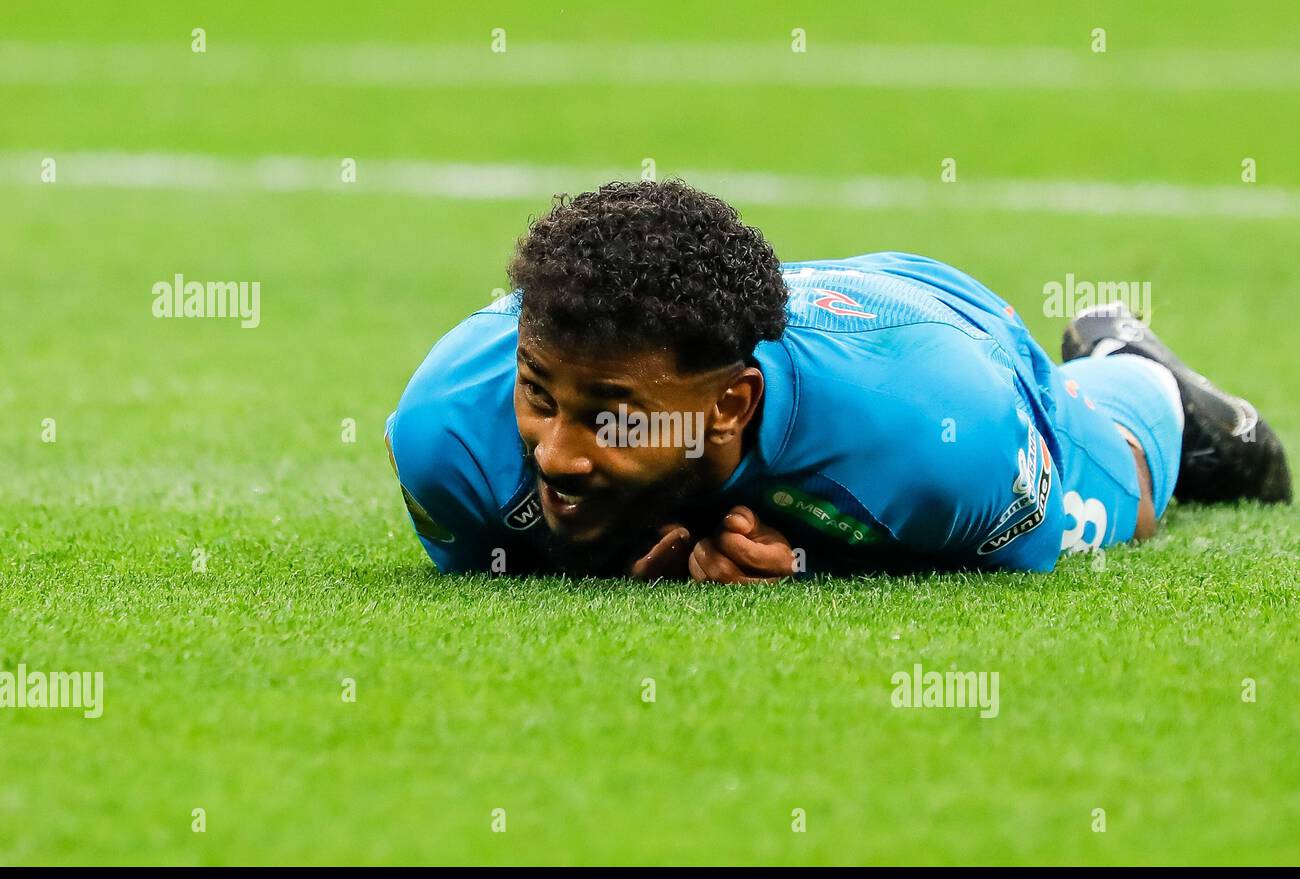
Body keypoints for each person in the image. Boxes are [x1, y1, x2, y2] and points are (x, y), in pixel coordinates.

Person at [385, 180, 1290, 582]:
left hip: (933, 332)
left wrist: (815, 559)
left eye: (614, 420)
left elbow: (1002, 567)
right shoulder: (447, 430)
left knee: (1125, 500)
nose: (557, 453)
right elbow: (503, 562)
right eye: (540, 397)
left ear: (733, 403)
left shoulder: (938, 439)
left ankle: (1128, 368)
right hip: (744, 315)